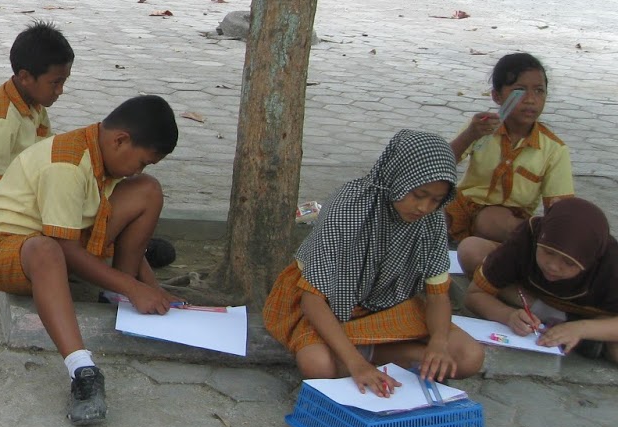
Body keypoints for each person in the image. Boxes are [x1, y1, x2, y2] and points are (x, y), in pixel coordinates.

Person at [0, 95, 181, 426]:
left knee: (147, 191)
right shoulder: (66, 165)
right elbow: (64, 247)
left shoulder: (101, 150)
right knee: (48, 250)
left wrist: (150, 288)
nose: (137, 171)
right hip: (9, 251)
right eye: (140, 162)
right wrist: (135, 286)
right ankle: (82, 370)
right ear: (120, 140)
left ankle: (117, 294)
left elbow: (89, 223)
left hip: (59, 239)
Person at [263, 129, 485, 395]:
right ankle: (372, 356)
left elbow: (437, 295)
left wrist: (438, 344)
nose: (424, 208)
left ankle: (377, 351)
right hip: (330, 309)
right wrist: (356, 365)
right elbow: (312, 300)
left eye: (436, 200)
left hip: (390, 304)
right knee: (317, 365)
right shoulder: (349, 206)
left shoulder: (431, 219)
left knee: (469, 357)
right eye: (418, 194)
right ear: (397, 178)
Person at [462, 197, 617, 362]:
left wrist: (581, 329)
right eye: (548, 252)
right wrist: (507, 316)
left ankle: (581, 332)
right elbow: (475, 294)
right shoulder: (528, 236)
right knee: (471, 250)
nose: (553, 266)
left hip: (592, 312)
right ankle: (553, 316)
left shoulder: (611, 265)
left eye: (569, 263)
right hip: (529, 294)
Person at [446, 53, 572, 246]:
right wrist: (469, 135)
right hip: (463, 206)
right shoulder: (481, 127)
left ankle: (521, 249)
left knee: (490, 222)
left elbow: (558, 208)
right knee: (428, 212)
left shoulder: (554, 149)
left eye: (539, 91)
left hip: (507, 218)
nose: (531, 99)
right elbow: (441, 162)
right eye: (519, 91)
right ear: (497, 96)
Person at [0, 22, 72, 205]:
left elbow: (46, 147)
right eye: (55, 82)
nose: (60, 90)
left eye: (64, 81)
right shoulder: (1, 120)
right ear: (25, 77)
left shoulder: (34, 103)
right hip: (2, 204)